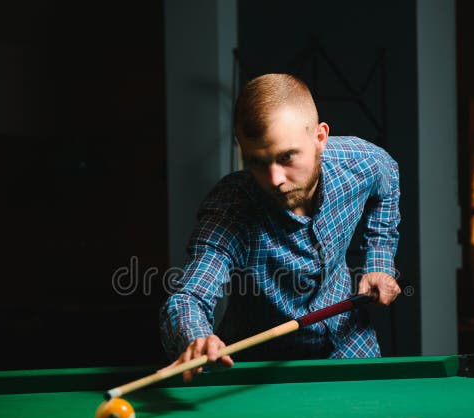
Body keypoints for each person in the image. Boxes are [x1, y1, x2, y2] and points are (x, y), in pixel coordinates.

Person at [158, 73, 401, 382]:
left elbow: (387, 174)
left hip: (350, 347)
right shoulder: (232, 207)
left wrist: (378, 262)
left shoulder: (360, 162)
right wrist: (195, 336)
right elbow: (189, 296)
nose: (274, 179)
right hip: (261, 370)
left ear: (320, 138)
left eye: (287, 157)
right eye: (257, 162)